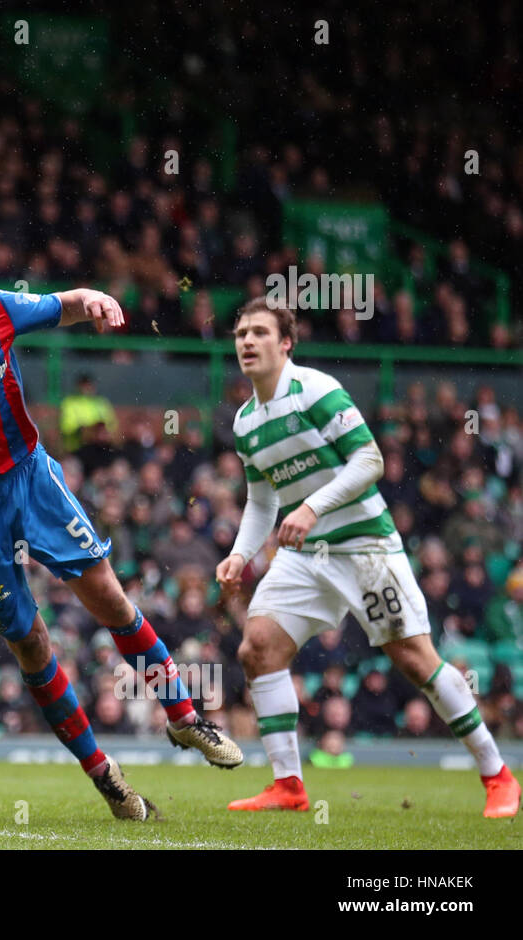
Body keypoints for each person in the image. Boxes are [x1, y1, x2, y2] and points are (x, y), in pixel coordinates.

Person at [0, 242, 241, 822]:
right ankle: (106, 778)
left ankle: (184, 718)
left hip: (31, 479)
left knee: (110, 600)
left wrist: (94, 298)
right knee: (30, 643)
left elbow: (64, 304)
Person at [216, 296, 519, 818]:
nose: (247, 341)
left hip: (364, 547)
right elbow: (262, 498)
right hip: (305, 553)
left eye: (260, 332)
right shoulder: (245, 421)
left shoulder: (316, 390)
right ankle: (288, 786)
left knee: (414, 659)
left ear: (285, 343)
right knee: (258, 647)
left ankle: (499, 776)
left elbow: (370, 459)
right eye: (242, 333)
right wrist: (241, 553)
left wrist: (310, 507)